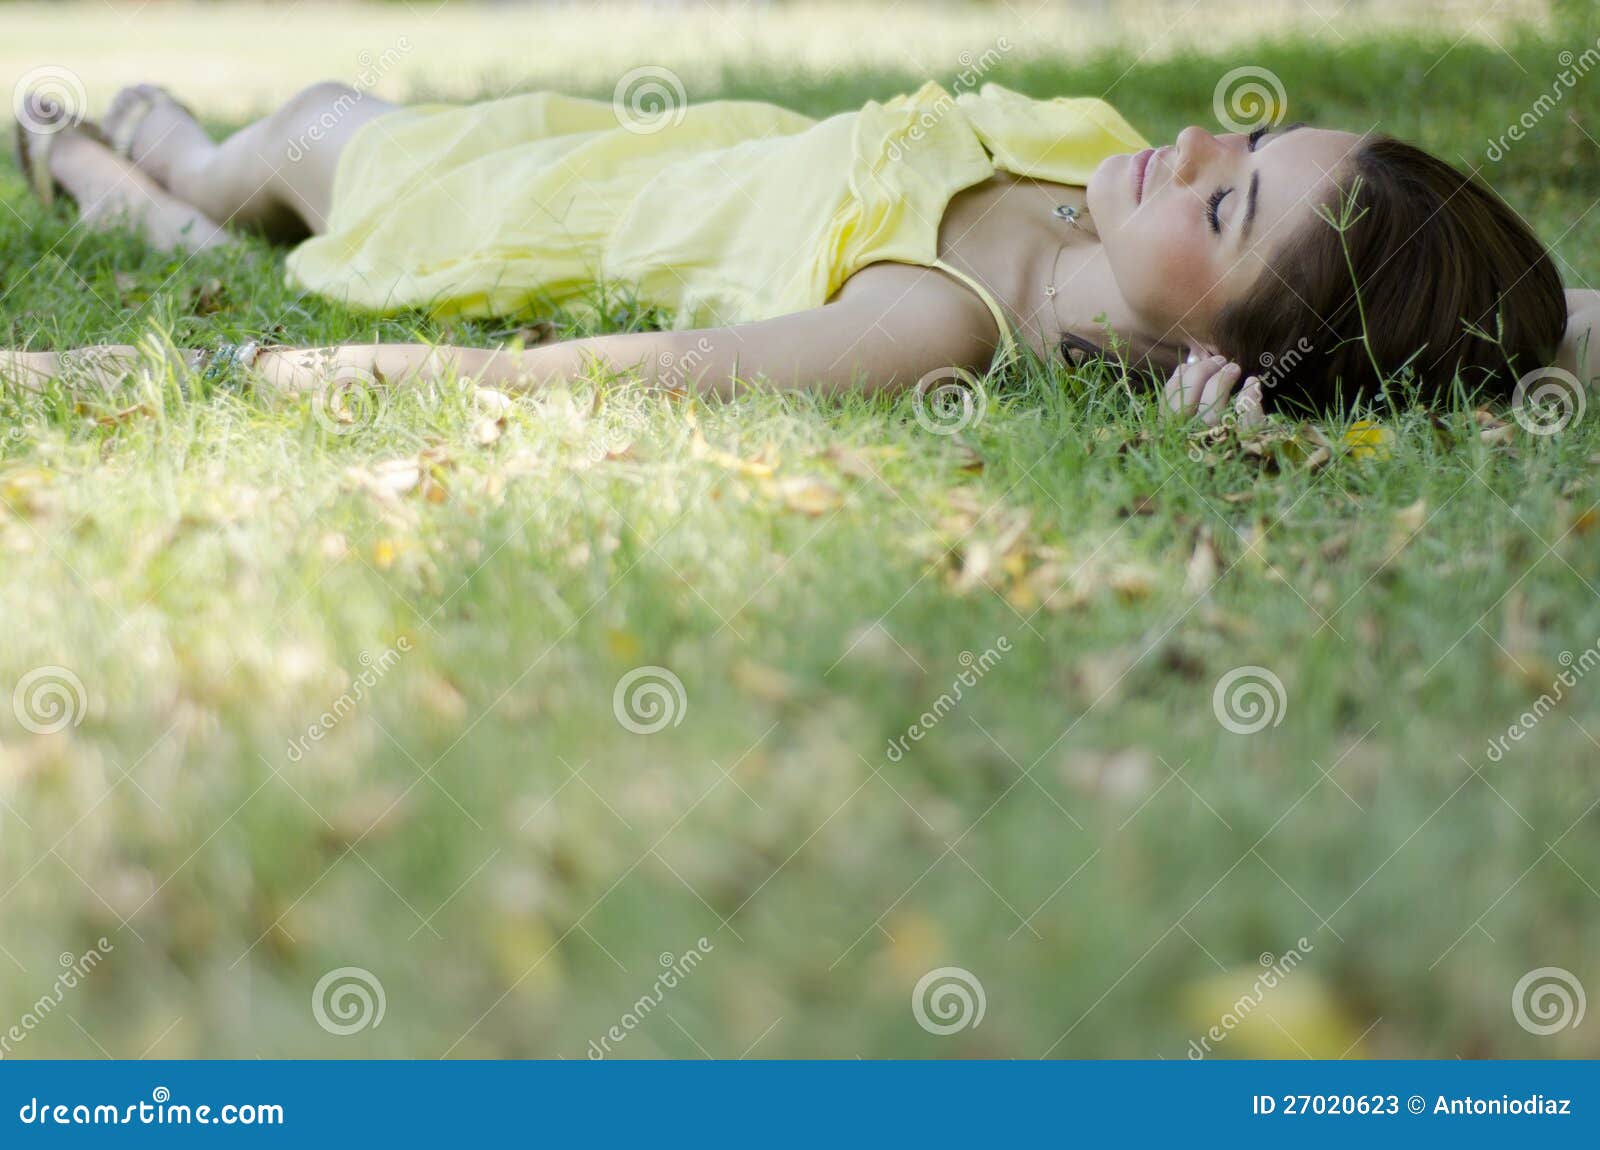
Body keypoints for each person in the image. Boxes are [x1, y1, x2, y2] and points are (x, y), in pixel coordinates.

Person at [9, 79, 1598, 420]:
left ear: (1216, 354)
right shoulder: (1110, 178)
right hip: (618, 131)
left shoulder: (934, 323)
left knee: (305, 140)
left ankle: (156, 188)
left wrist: (175, 369)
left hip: (521, 207)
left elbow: (593, 374)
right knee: (308, 134)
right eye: (1249, 145)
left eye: (1231, 203)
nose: (1195, 150)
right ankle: (163, 183)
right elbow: (1549, 324)